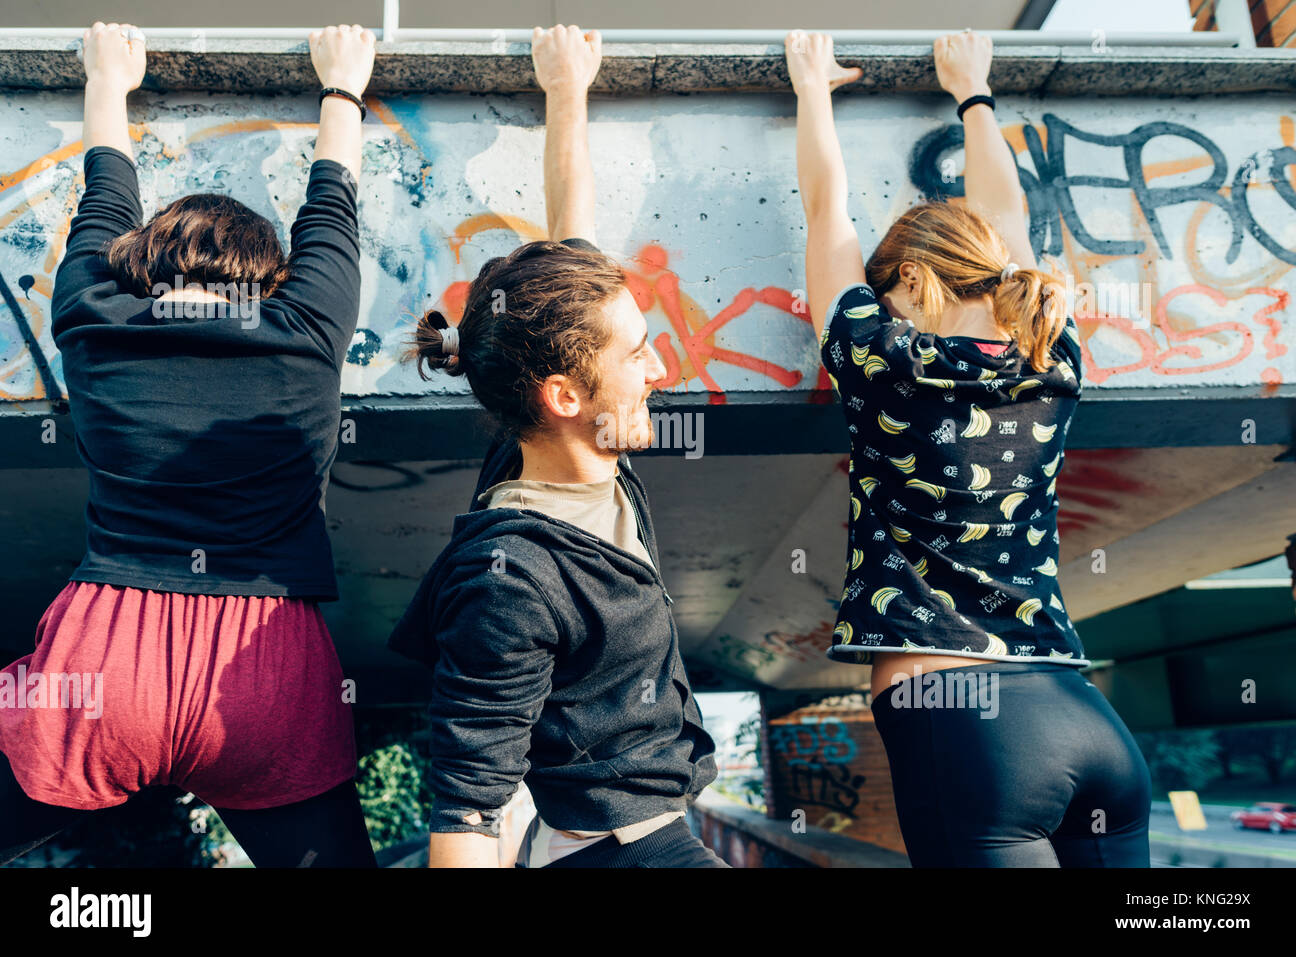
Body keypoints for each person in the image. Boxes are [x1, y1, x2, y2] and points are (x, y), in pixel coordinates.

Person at [0, 22, 378, 867]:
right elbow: (333, 207)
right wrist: (342, 85)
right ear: (271, 277)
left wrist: (107, 79)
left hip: (106, 667)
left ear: (145, 260)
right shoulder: (306, 326)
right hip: (266, 669)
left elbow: (103, 201)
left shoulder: (98, 317)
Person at [786, 28, 1151, 866]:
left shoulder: (884, 359)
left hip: (964, 724)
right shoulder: (1051, 354)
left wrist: (812, 90)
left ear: (912, 280)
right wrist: (972, 91)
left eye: (891, 293)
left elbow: (823, 212)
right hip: (1082, 710)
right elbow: (1009, 221)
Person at [388, 24, 725, 869]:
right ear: (566, 396)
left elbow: (571, 241)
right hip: (620, 852)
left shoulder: (576, 446)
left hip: (652, 829)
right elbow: (465, 806)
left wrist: (566, 89)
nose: (659, 366)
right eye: (636, 352)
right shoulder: (512, 580)